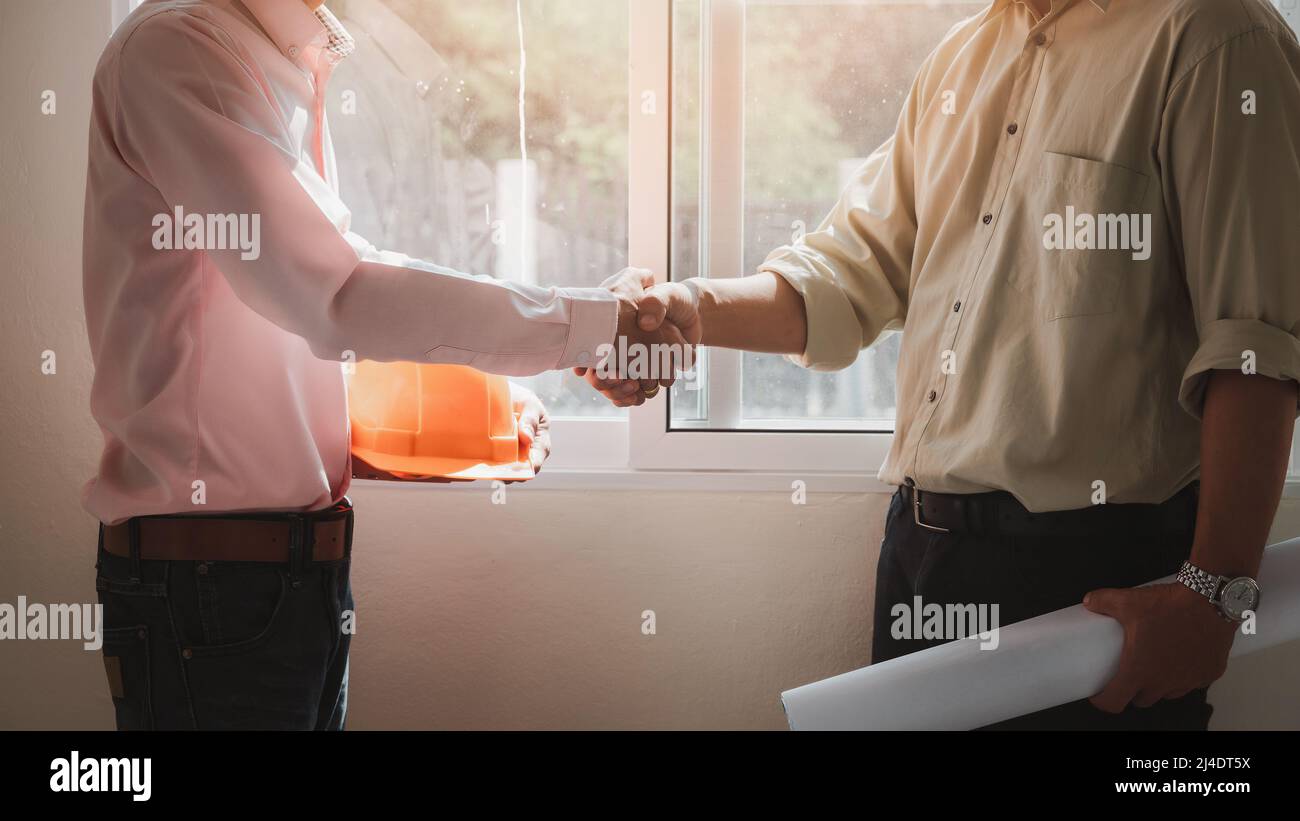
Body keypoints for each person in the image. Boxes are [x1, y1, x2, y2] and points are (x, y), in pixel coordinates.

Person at [603, 0, 1300, 728]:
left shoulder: (1217, 38)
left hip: (1094, 589)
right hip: (919, 555)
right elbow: (847, 272)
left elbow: (1255, 348)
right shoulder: (959, 58)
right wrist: (688, 308)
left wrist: (1215, 597)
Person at [82, 0, 691, 729]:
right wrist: (593, 325)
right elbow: (337, 294)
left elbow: (292, 343)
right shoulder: (178, 51)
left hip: (288, 577)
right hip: (210, 588)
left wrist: (487, 405)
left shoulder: (278, 53)